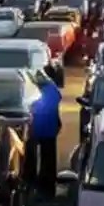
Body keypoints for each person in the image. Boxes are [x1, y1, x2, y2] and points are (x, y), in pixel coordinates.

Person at [28, 69, 62, 198]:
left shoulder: (35, 90)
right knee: (48, 156)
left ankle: (36, 181)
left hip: (37, 128)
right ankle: (47, 182)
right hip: (48, 129)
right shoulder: (51, 88)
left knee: (34, 156)